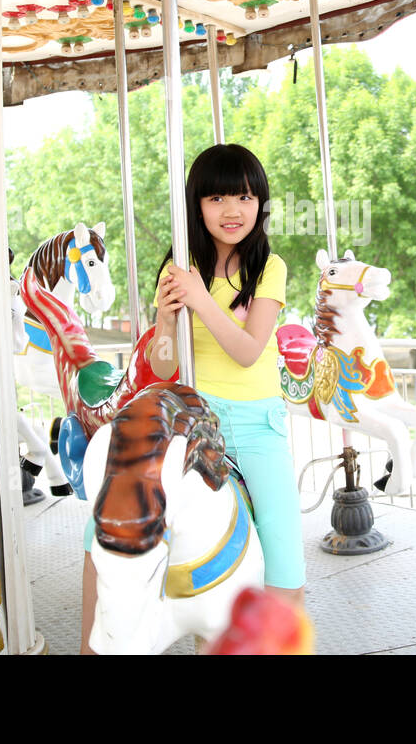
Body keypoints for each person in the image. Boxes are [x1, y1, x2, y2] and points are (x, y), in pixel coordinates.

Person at [151, 143, 305, 605]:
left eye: (244, 197)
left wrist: (200, 300)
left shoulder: (268, 268)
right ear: (197, 205)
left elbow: (248, 350)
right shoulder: (182, 268)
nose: (232, 210)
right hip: (195, 418)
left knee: (284, 559)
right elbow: (163, 364)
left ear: (260, 203)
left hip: (257, 424)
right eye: (216, 198)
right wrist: (163, 318)